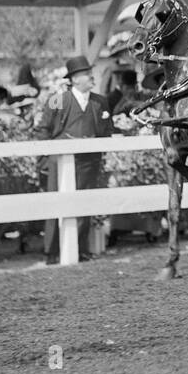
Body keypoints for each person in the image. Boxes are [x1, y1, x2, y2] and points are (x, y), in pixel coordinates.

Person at [36, 55, 114, 264]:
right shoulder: (57, 99)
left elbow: (107, 131)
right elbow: (43, 128)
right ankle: (51, 251)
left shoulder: (100, 101)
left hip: (89, 162)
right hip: (60, 162)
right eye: (87, 74)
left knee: (84, 205)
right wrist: (45, 157)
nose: (91, 77)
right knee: (57, 204)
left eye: (90, 73)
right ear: (75, 79)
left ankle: (81, 249)